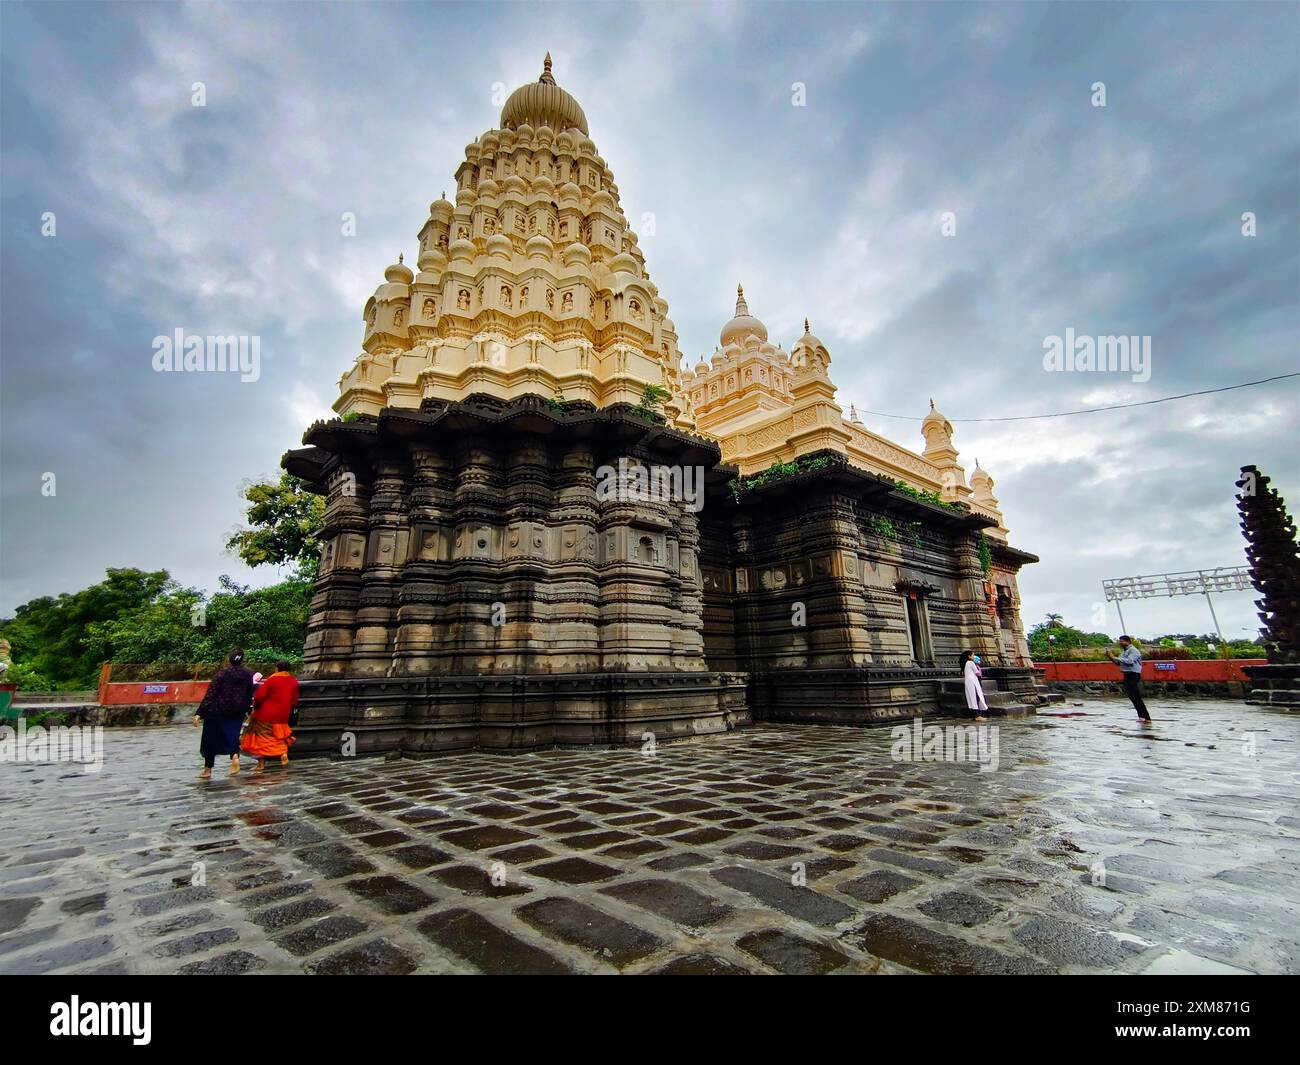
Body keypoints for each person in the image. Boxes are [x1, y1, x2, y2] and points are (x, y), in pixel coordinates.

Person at [193, 647, 254, 779]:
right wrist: (248, 710)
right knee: (232, 735)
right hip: (237, 710)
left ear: (229, 659)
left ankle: (207, 770)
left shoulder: (222, 674)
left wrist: (200, 713)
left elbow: (211, 694)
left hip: (217, 711)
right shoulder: (249, 674)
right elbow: (249, 694)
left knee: (210, 739)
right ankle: (235, 757)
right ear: (243, 660)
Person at [241, 660, 300, 774]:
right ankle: (283, 753)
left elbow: (259, 696)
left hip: (266, 714)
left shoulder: (272, 680)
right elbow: (294, 701)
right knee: (278, 736)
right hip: (283, 715)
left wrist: (255, 707)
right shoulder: (293, 681)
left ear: (277, 668)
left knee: (259, 738)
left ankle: (261, 764)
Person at [1106, 635, 1152, 722]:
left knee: (1136, 696)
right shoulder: (1123, 652)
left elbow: (1130, 661)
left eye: (1122, 641)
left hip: (1133, 675)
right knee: (1132, 696)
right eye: (1120, 641)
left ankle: (1146, 717)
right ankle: (1142, 716)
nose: (1120, 643)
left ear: (1128, 642)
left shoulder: (1133, 650)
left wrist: (1115, 657)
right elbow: (1118, 663)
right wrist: (1111, 657)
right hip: (1126, 675)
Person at [959, 649, 988, 722]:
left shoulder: (966, 663)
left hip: (969, 683)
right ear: (969, 656)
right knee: (975, 698)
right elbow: (978, 673)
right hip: (973, 682)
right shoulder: (971, 663)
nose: (974, 656)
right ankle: (977, 716)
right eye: (973, 655)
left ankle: (976, 715)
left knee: (972, 699)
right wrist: (978, 666)